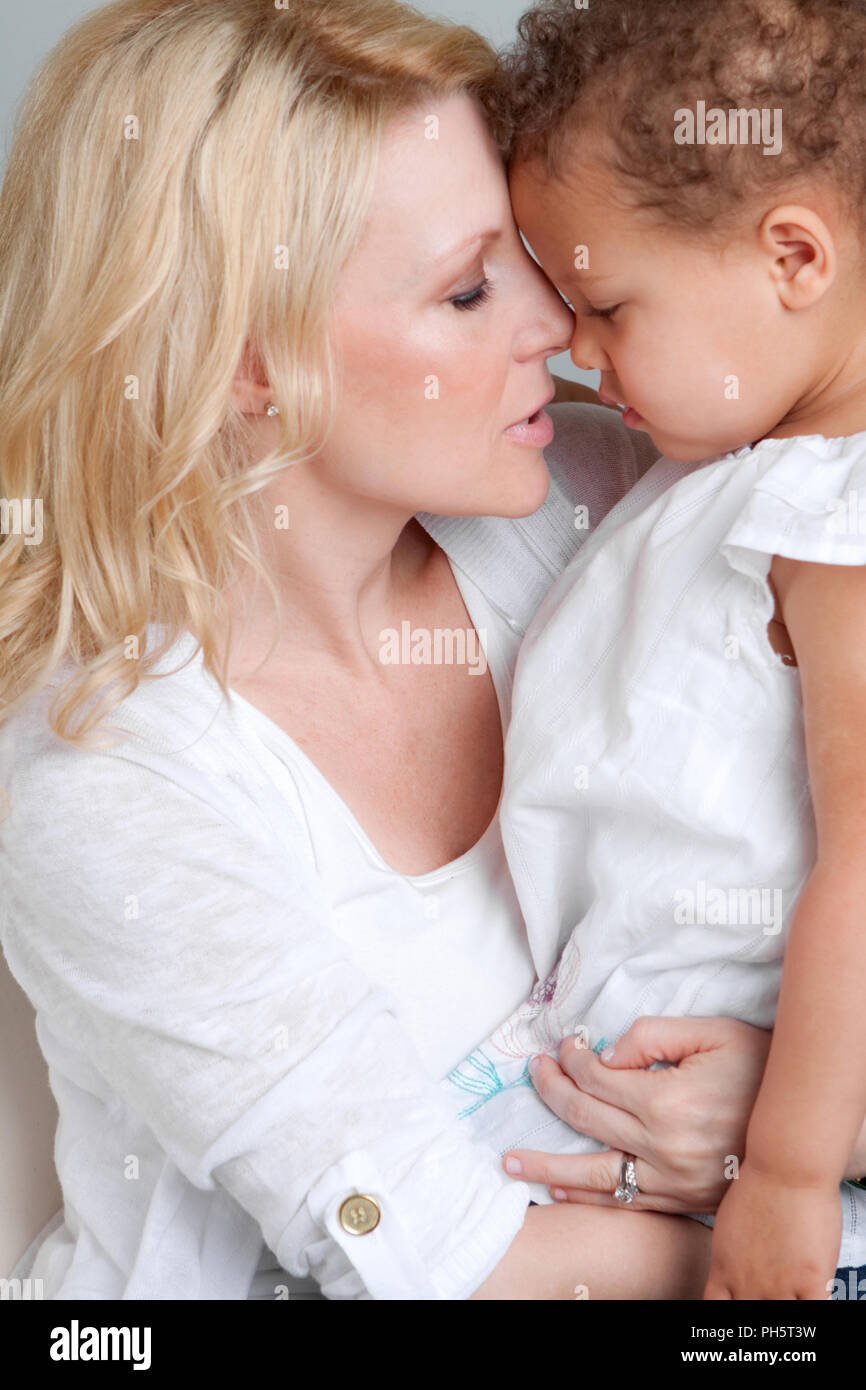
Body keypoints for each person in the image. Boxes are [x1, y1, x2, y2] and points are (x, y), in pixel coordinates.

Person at [1, 0, 864, 1302]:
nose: (557, 327)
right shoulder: (108, 790)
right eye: (468, 287)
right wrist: (799, 1204)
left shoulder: (618, 491)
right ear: (251, 364)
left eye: (536, 259)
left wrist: (819, 1117)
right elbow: (412, 1248)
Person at [439, 0, 866, 1300]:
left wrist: (788, 1169)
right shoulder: (737, 472)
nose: (574, 342)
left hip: (765, 1202)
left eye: (606, 301)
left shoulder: (830, 519)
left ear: (792, 257)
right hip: (619, 1115)